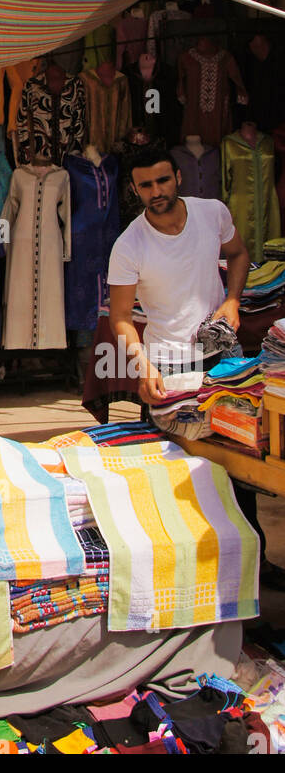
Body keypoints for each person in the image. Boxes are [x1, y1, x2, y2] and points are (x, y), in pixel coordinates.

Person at [108, 145, 284, 589]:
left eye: (162, 180)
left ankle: (254, 568)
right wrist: (141, 366)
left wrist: (231, 300)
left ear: (178, 177)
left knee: (239, 470)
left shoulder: (211, 213)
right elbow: (122, 319)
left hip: (222, 361)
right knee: (180, 476)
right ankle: (189, 581)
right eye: (145, 185)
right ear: (134, 189)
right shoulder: (129, 244)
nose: (156, 191)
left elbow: (239, 255)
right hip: (166, 368)